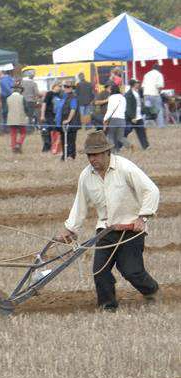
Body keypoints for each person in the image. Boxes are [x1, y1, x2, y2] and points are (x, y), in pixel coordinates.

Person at [54, 131, 160, 311]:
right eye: (89, 155)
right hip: (106, 229)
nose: (92, 159)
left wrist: (142, 217)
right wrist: (70, 229)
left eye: (96, 155)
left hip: (130, 229)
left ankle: (152, 291)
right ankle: (108, 307)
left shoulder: (125, 168)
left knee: (130, 270)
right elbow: (80, 204)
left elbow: (152, 190)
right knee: (99, 271)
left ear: (107, 153)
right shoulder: (86, 176)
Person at [56, 82, 80, 160]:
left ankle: (71, 155)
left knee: (71, 140)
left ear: (72, 88)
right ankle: (64, 154)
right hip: (62, 123)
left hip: (72, 123)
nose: (66, 88)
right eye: (65, 86)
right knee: (63, 139)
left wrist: (68, 119)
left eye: (68, 87)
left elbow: (73, 109)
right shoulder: (64, 96)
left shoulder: (73, 97)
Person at [124, 79, 149, 150]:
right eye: (137, 83)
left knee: (142, 131)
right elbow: (128, 107)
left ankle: (146, 146)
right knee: (126, 132)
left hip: (138, 116)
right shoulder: (128, 94)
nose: (138, 84)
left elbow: (139, 104)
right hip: (131, 117)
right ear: (133, 84)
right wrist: (132, 117)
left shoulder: (138, 92)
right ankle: (117, 146)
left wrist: (144, 111)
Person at [103, 83, 127, 153]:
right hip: (122, 119)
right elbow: (125, 109)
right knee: (120, 137)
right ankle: (129, 145)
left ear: (112, 90)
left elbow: (110, 110)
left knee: (110, 136)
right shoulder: (123, 98)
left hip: (114, 119)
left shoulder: (111, 98)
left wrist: (105, 119)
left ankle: (114, 151)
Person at [6, 84, 28, 153]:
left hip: (11, 118)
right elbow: (26, 108)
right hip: (20, 118)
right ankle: (19, 143)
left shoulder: (8, 98)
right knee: (23, 132)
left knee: (13, 134)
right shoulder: (22, 98)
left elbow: (6, 109)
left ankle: (13, 148)